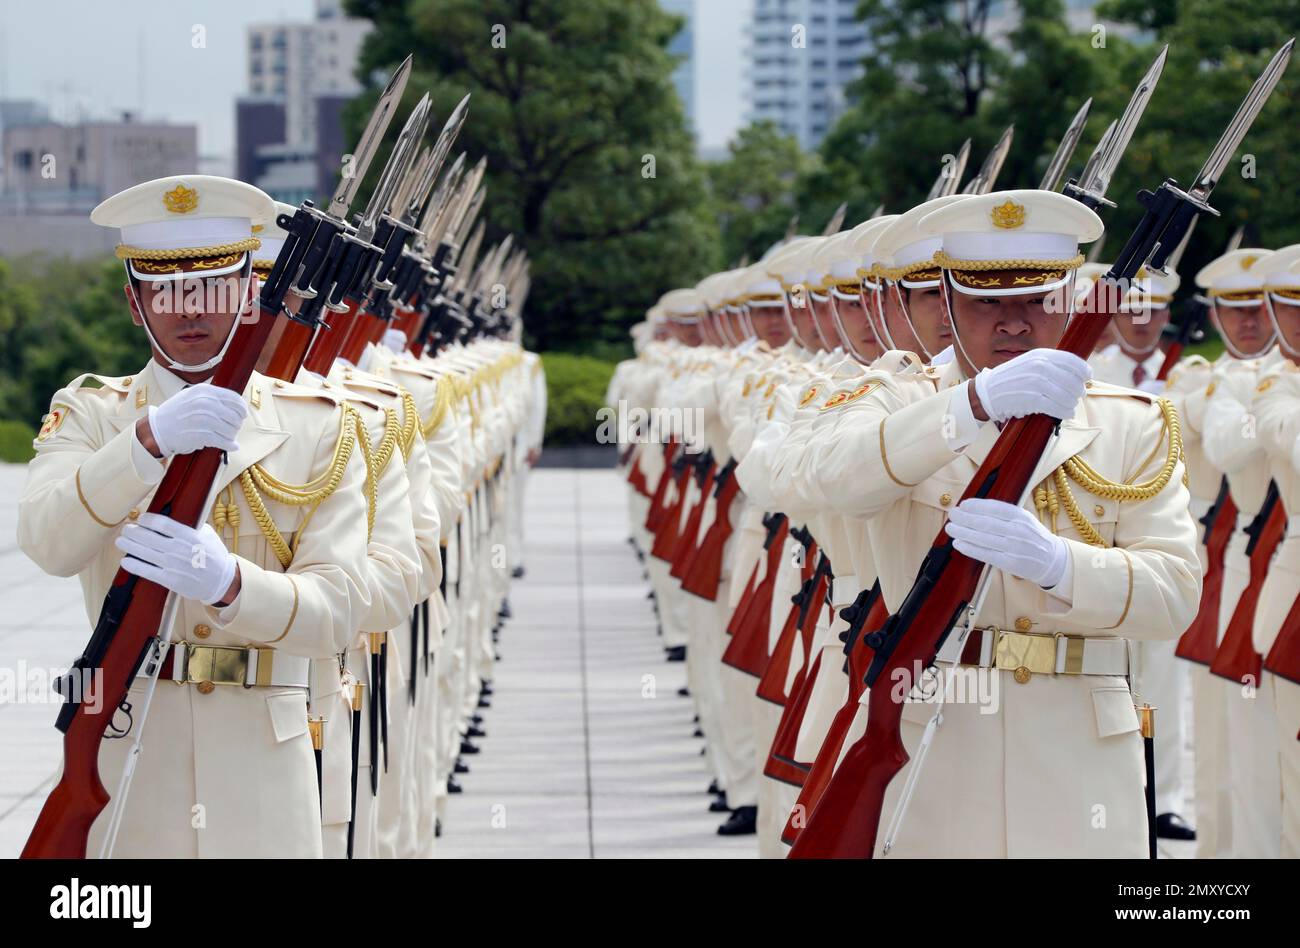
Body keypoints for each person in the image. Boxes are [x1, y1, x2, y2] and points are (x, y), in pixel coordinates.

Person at [786, 189, 1202, 856]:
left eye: (1036, 300)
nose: (1012, 323)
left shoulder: (1133, 423)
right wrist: (969, 406)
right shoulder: (898, 405)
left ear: (1069, 300)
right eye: (985, 302)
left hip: (1083, 756)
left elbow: (1175, 595)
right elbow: (815, 478)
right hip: (937, 737)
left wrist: (1061, 566)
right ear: (947, 303)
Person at [19, 175, 373, 858]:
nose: (191, 310)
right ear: (134, 302)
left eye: (213, 287)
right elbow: (45, 542)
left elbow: (342, 610)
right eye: (166, 290)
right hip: (130, 754)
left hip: (263, 767)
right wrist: (145, 443)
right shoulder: (94, 416)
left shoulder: (319, 428)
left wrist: (230, 585)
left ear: (249, 294)